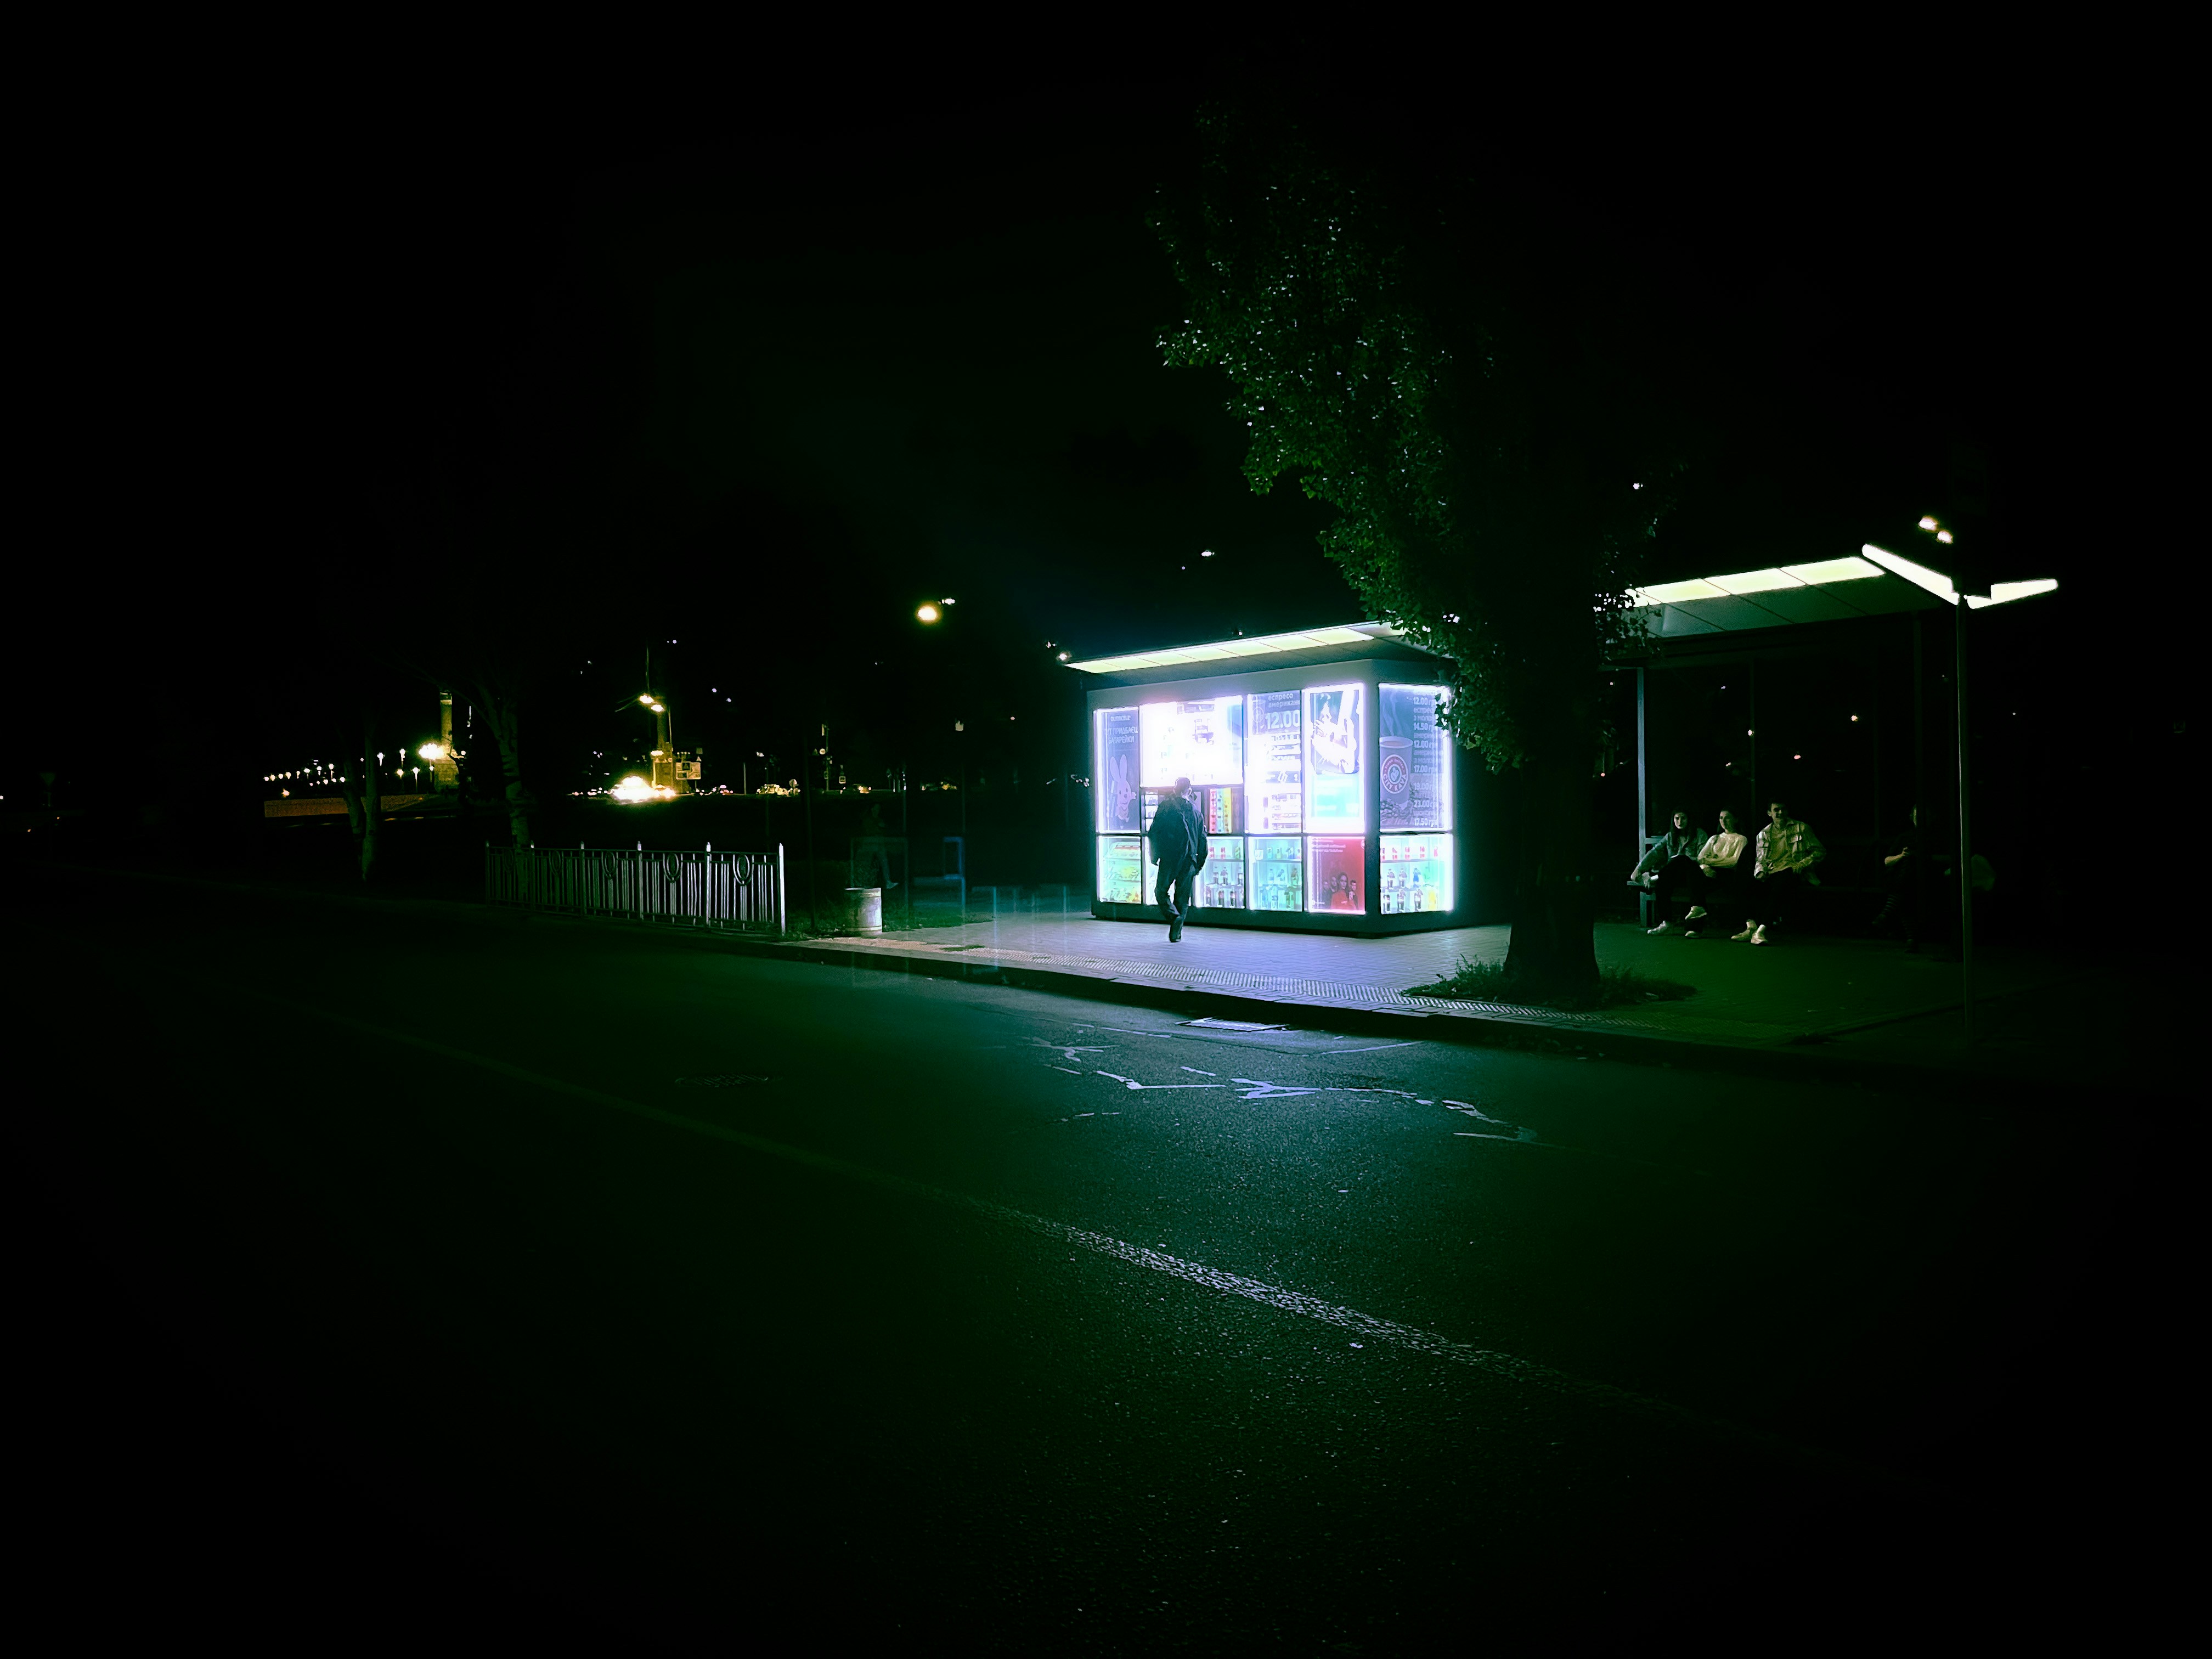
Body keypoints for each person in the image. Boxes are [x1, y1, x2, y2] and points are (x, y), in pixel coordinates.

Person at [1737, 798, 1824, 945]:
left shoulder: (1801, 828)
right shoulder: (1764, 834)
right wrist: (1760, 872)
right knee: (1743, 883)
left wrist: (1802, 865)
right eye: (1776, 810)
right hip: (1772, 872)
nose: (1780, 812)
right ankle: (1751, 927)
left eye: (1783, 809)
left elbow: (1819, 851)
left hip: (1794, 871)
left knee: (1780, 885)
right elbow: (1761, 859)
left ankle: (1762, 930)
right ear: (1769, 813)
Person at [1146, 775, 1208, 943]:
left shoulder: (1166, 807)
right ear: (1189, 791)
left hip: (1170, 858)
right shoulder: (1196, 812)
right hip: (1189, 861)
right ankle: (1177, 932)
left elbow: (1154, 832)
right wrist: (1199, 863)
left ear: (1175, 789)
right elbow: (1203, 839)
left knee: (1160, 891)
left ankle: (1174, 918)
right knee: (1182, 898)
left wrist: (1155, 856)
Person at [1632, 809, 1707, 934]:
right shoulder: (1670, 836)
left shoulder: (1699, 834)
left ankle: (1654, 878)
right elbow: (1655, 852)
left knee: (1681, 859)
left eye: (1683, 818)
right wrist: (1639, 869)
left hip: (1693, 875)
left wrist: (1682, 860)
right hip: (1674, 875)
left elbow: (1702, 857)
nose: (1680, 821)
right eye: (1677, 818)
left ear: (1689, 820)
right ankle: (1666, 923)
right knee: (1663, 882)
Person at [1679, 809, 1749, 936]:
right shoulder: (1715, 838)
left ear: (1736, 819)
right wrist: (1706, 867)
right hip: (1710, 871)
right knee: (1693, 874)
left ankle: (1695, 926)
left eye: (1728, 818)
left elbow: (1734, 861)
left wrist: (1711, 861)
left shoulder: (1741, 839)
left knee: (1697, 887)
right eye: (1721, 818)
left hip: (1728, 874)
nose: (1724, 821)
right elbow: (1701, 858)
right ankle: (1697, 909)